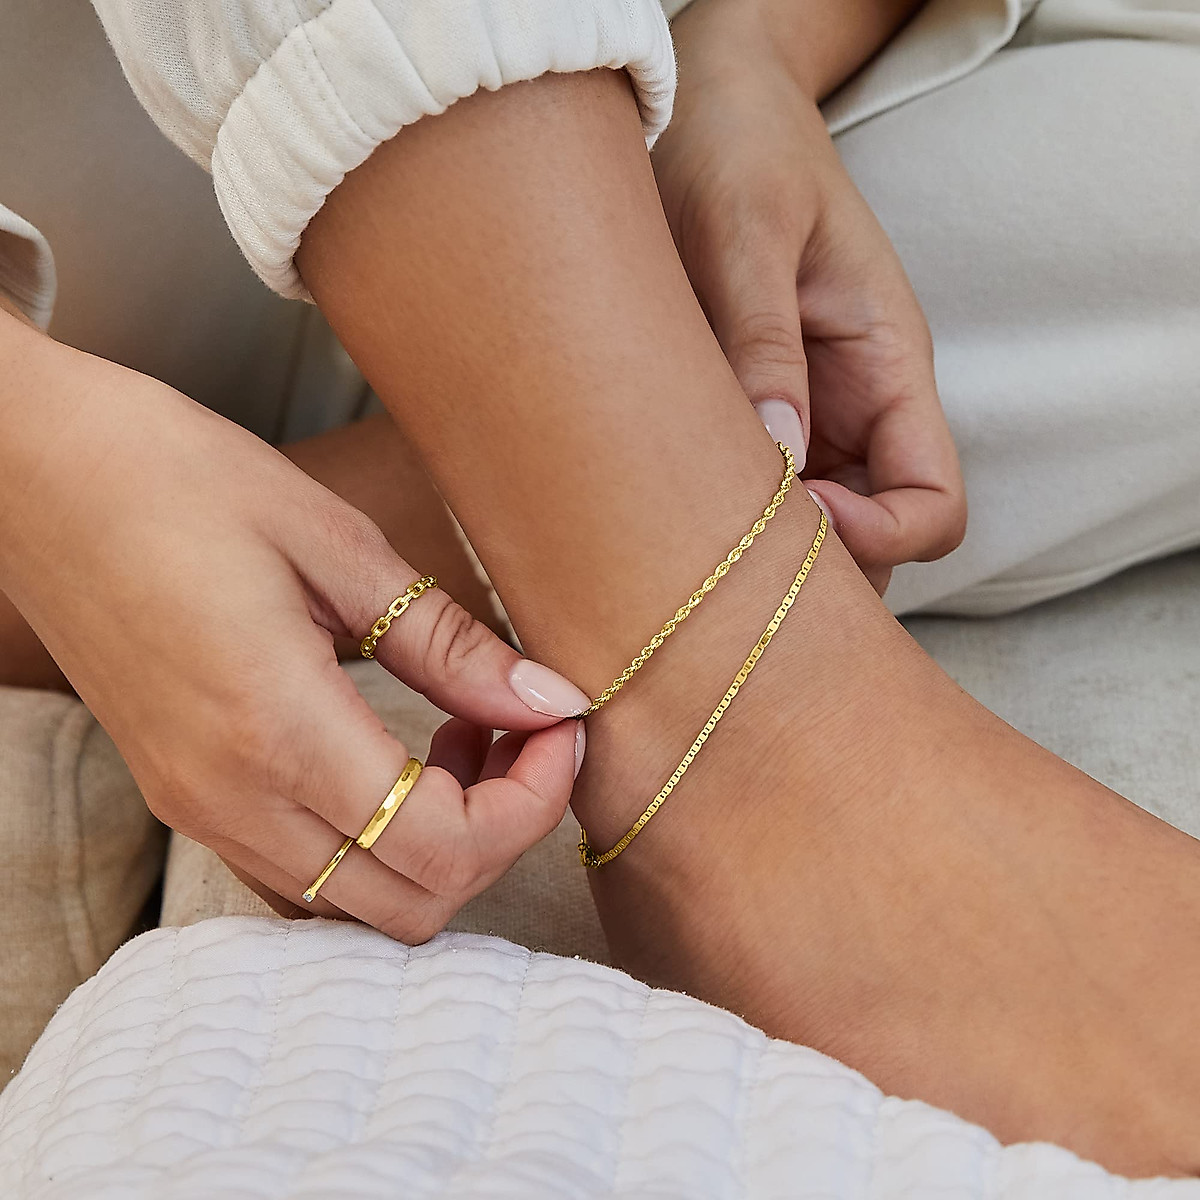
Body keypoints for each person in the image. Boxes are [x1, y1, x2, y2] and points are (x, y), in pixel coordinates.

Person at [2, 0, 1198, 1176]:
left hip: (599, 146)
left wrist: (755, 50)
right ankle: (733, 705)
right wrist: (40, 458)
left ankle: (560, 453)